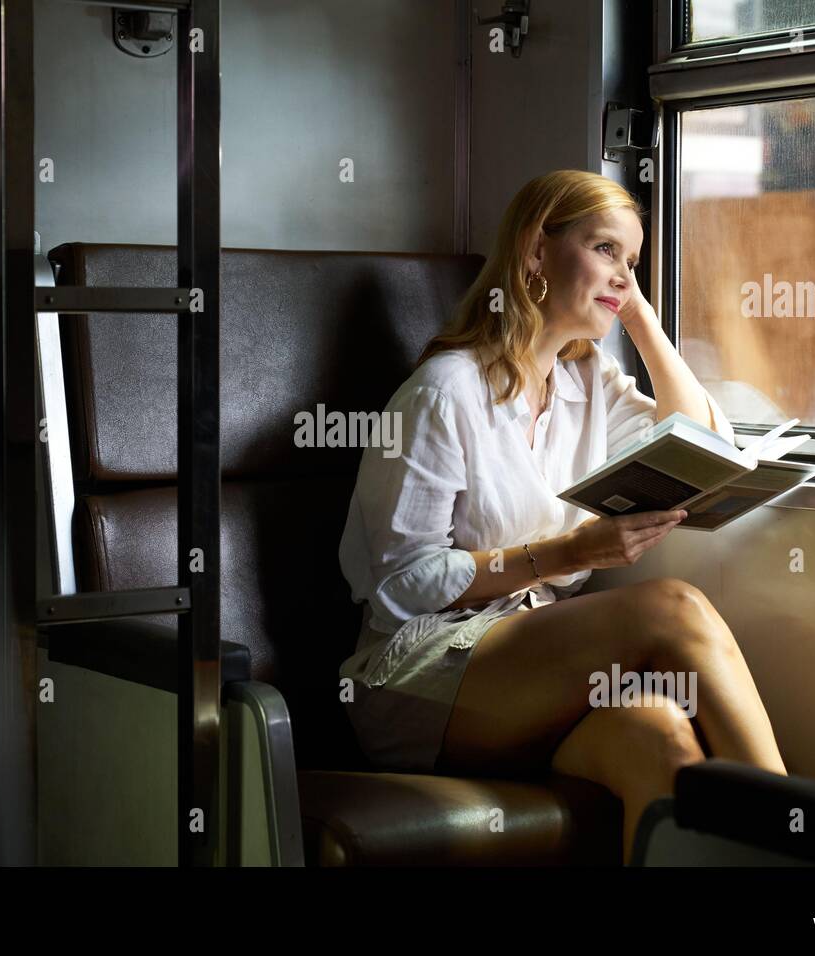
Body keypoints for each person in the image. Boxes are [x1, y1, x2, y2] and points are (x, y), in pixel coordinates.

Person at [338, 169, 788, 864]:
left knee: (659, 735)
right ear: (535, 252)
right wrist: (571, 554)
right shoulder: (444, 394)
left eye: (633, 262)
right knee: (672, 610)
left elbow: (708, 446)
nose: (621, 275)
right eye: (605, 250)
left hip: (529, 663)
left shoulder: (586, 384)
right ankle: (805, 848)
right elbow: (400, 584)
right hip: (418, 673)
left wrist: (638, 317)